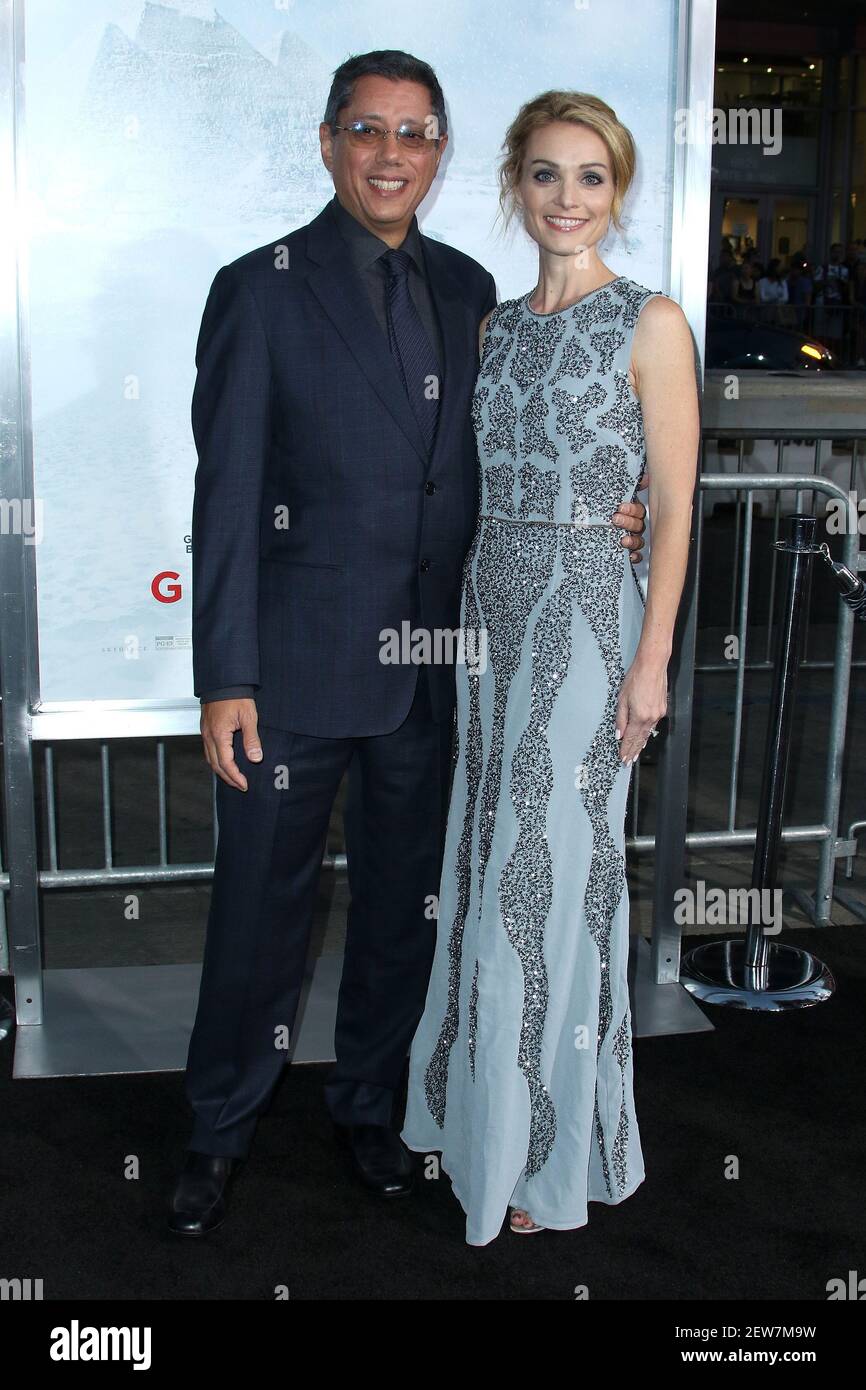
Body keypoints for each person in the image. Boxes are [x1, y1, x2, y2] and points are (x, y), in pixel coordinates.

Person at [169, 52, 648, 1236]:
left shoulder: (468, 288)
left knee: (401, 909)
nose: (391, 153)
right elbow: (224, 496)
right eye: (368, 130)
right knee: (255, 917)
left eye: (416, 134)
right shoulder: (260, 287)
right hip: (294, 667)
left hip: (443, 668)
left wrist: (608, 506)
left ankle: (369, 1110)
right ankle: (215, 1132)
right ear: (328, 142)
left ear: (438, 154)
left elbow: (508, 454)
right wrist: (224, 675)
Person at [401, 90, 699, 1244]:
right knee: (485, 858)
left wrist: (652, 658)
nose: (565, 197)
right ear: (514, 186)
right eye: (543, 174)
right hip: (492, 612)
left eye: (589, 176)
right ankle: (477, 1116)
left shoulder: (651, 322)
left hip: (588, 619)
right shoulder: (496, 328)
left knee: (553, 877)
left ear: (615, 192)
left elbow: (670, 505)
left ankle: (537, 1153)